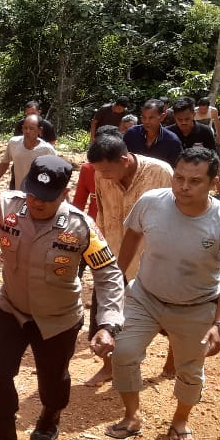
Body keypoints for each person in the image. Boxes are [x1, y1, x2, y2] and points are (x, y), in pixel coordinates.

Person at [0, 156, 125, 440]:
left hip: (58, 319)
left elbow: (108, 273)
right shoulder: (9, 206)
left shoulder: (81, 227)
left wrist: (108, 324)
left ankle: (49, 419)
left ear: (65, 193)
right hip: (11, 309)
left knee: (53, 378)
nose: (36, 203)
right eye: (31, 194)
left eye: (46, 198)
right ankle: (5, 438)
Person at [105, 147, 220, 440]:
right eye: (179, 178)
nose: (184, 187)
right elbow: (132, 234)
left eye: (195, 181)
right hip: (145, 296)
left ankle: (180, 418)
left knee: (190, 370)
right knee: (123, 353)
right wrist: (118, 277)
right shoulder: (151, 202)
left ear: (213, 182)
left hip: (195, 307)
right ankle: (132, 416)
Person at [83, 134, 173, 380]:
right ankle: (108, 367)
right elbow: (101, 212)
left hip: (153, 260)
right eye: (98, 170)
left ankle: (172, 362)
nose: (102, 175)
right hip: (112, 258)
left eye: (107, 170)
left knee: (168, 317)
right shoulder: (101, 175)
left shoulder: (160, 173)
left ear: (124, 160)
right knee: (104, 316)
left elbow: (177, 213)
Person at [0, 114, 57, 191]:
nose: (27, 131)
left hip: (38, 195)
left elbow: (55, 173)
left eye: (31, 129)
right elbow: (4, 163)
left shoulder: (47, 150)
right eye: (25, 128)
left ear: (39, 130)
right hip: (18, 192)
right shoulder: (14, 143)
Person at [123, 99, 183, 166]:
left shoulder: (172, 141)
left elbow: (177, 167)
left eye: (151, 118)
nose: (146, 121)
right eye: (144, 117)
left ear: (162, 117)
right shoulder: (131, 134)